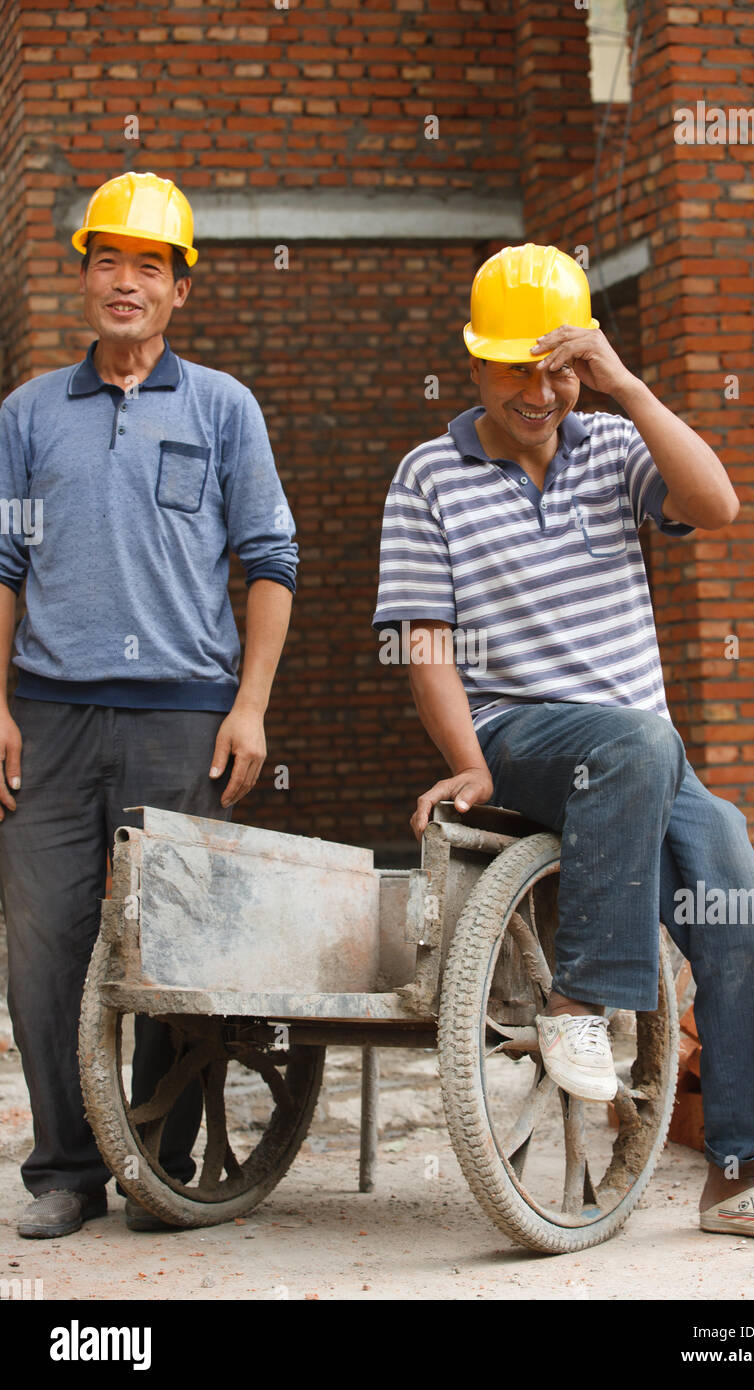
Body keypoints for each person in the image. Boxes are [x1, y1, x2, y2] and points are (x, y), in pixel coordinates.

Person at [373, 243, 754, 1245]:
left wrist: (623, 383)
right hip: (521, 738)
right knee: (631, 740)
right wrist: (467, 758)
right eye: (513, 368)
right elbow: (423, 643)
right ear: (473, 363)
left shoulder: (613, 448)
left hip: (640, 754)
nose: (537, 392)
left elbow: (715, 503)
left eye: (557, 369)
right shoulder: (427, 477)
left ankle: (742, 1178)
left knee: (750, 912)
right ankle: (586, 998)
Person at [0, 172, 298, 1238]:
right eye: (107, 261)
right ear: (84, 276)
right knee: (43, 944)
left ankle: (158, 1168)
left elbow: (269, 561)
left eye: (149, 267)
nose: (125, 283)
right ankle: (66, 1170)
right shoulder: (28, 414)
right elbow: (1, 567)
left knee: (172, 944)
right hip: (49, 716)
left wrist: (249, 707)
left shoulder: (221, 407)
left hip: (184, 714)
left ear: (179, 290)